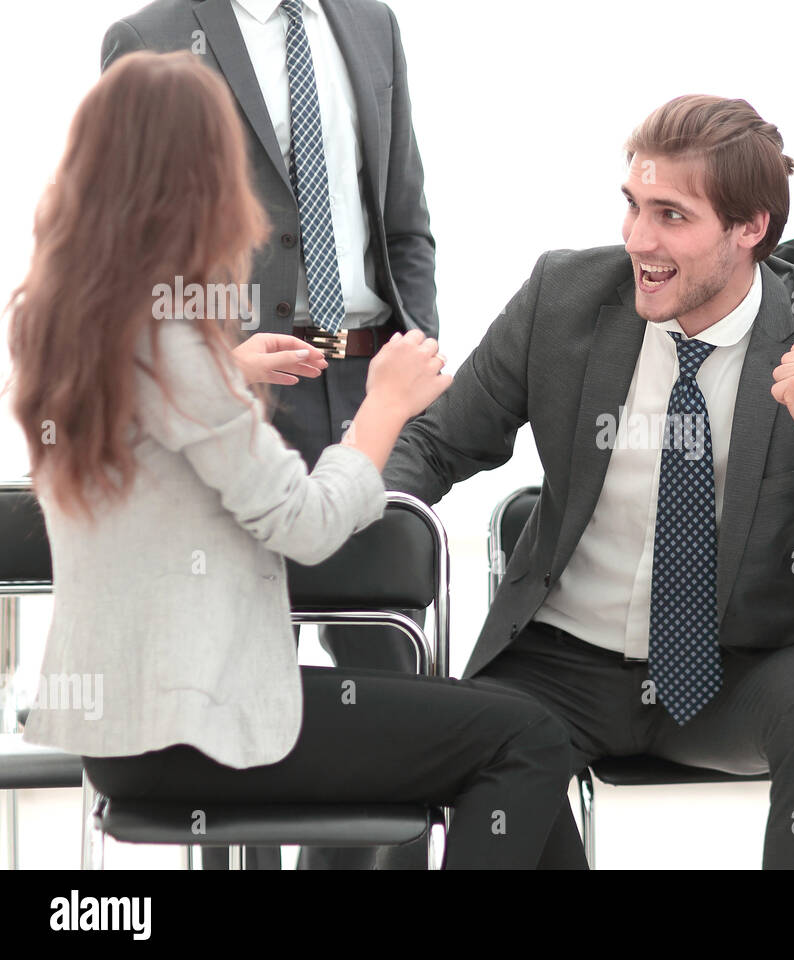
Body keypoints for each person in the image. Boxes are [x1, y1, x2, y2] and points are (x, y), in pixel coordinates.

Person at [7, 51, 573, 870]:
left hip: (128, 735)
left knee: (521, 741)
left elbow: (141, 413)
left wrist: (228, 375)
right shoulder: (174, 349)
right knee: (528, 739)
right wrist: (383, 406)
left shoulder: (69, 335)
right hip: (204, 732)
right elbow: (306, 528)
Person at [381, 94, 794, 869]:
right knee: (481, 758)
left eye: (671, 215)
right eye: (633, 206)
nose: (639, 238)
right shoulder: (563, 298)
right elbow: (437, 444)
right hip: (559, 665)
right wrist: (345, 520)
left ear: (750, 230)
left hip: (742, 664)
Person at [103, 0, 440, 868]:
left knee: (395, 683)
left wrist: (414, 353)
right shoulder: (148, 39)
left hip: (370, 386)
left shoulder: (371, 24)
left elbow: (405, 222)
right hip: (240, 391)